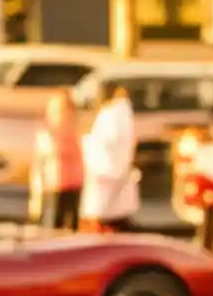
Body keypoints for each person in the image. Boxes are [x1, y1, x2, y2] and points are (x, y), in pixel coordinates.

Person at [81, 86, 138, 233]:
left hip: (105, 185)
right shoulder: (124, 116)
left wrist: (86, 143)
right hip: (117, 183)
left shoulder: (110, 116)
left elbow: (105, 148)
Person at [30, 89, 83, 231]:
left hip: (74, 187)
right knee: (52, 228)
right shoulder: (46, 137)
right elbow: (38, 168)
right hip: (53, 188)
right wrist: (36, 197)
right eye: (55, 111)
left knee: (72, 228)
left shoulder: (78, 136)